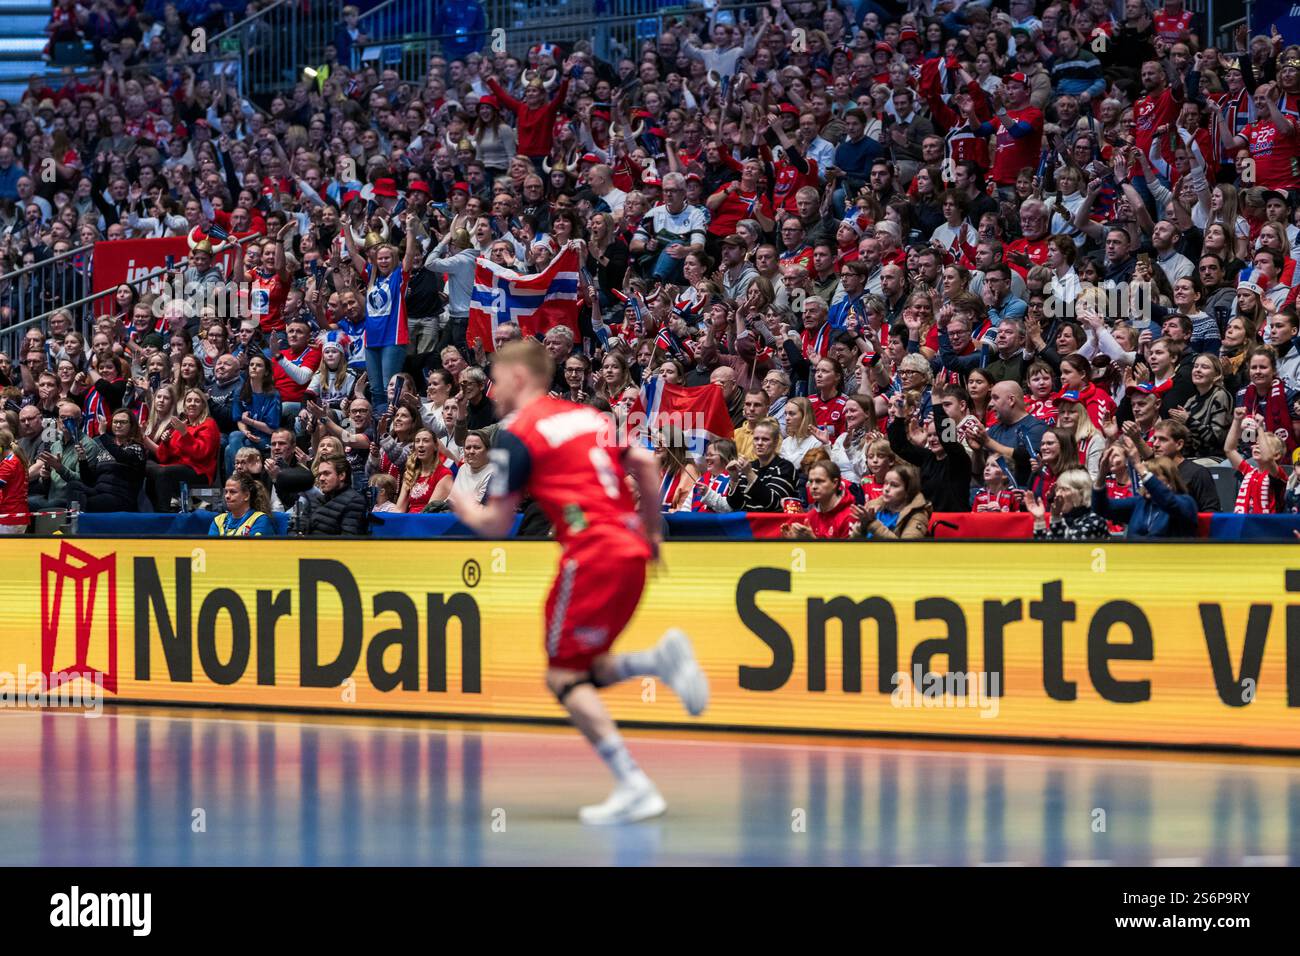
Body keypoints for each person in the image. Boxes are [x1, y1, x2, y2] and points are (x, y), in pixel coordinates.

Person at [450, 340, 709, 825]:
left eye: (497, 378)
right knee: (580, 666)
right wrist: (653, 535)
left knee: (563, 676)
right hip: (630, 549)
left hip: (590, 554)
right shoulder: (590, 418)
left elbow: (493, 524)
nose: (491, 388)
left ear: (520, 378)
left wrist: (463, 506)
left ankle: (634, 784)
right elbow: (649, 466)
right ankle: (656, 661)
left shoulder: (517, 435)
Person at [1092, 440, 1198, 539]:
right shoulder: (1140, 503)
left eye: (1150, 478)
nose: (1146, 482)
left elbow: (1169, 502)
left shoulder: (1186, 503)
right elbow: (1101, 508)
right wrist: (1102, 474)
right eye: (1143, 478)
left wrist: (1138, 465)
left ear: (1170, 481)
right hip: (1134, 557)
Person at [146, 389, 220, 512]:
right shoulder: (183, 424)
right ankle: (156, 511)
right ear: (184, 405)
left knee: (163, 472)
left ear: (203, 405)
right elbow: (163, 457)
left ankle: (163, 515)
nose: (192, 403)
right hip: (176, 467)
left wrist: (185, 434)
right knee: (147, 465)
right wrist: (166, 442)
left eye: (197, 401)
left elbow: (201, 454)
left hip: (199, 471)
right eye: (189, 400)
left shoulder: (208, 424)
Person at [850, 461, 931, 539]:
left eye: (894, 485)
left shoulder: (917, 515)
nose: (886, 489)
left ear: (908, 491)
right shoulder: (873, 506)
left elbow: (907, 549)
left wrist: (872, 524)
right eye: (885, 483)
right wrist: (862, 526)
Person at [781, 461, 855, 539]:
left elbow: (848, 551)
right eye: (810, 481)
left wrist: (813, 540)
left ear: (835, 483)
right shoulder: (811, 516)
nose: (813, 486)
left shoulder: (850, 516)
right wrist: (794, 540)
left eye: (819, 481)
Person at [1026, 471, 1109, 540]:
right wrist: (1039, 519)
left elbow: (1066, 549)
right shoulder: (1065, 518)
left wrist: (1056, 517)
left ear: (1081, 493)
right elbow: (1045, 551)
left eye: (1064, 489)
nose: (1058, 494)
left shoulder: (1095, 520)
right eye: (1057, 489)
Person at [298, 456, 369, 535]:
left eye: (326, 474)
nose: (321, 478)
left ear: (341, 475)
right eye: (320, 474)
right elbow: (298, 528)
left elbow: (348, 539)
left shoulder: (355, 501)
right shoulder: (313, 499)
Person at [210, 474, 276, 536]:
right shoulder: (218, 520)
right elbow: (211, 547)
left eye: (233, 492)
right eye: (226, 492)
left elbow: (251, 547)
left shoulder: (260, 519)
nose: (227, 496)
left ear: (246, 496)